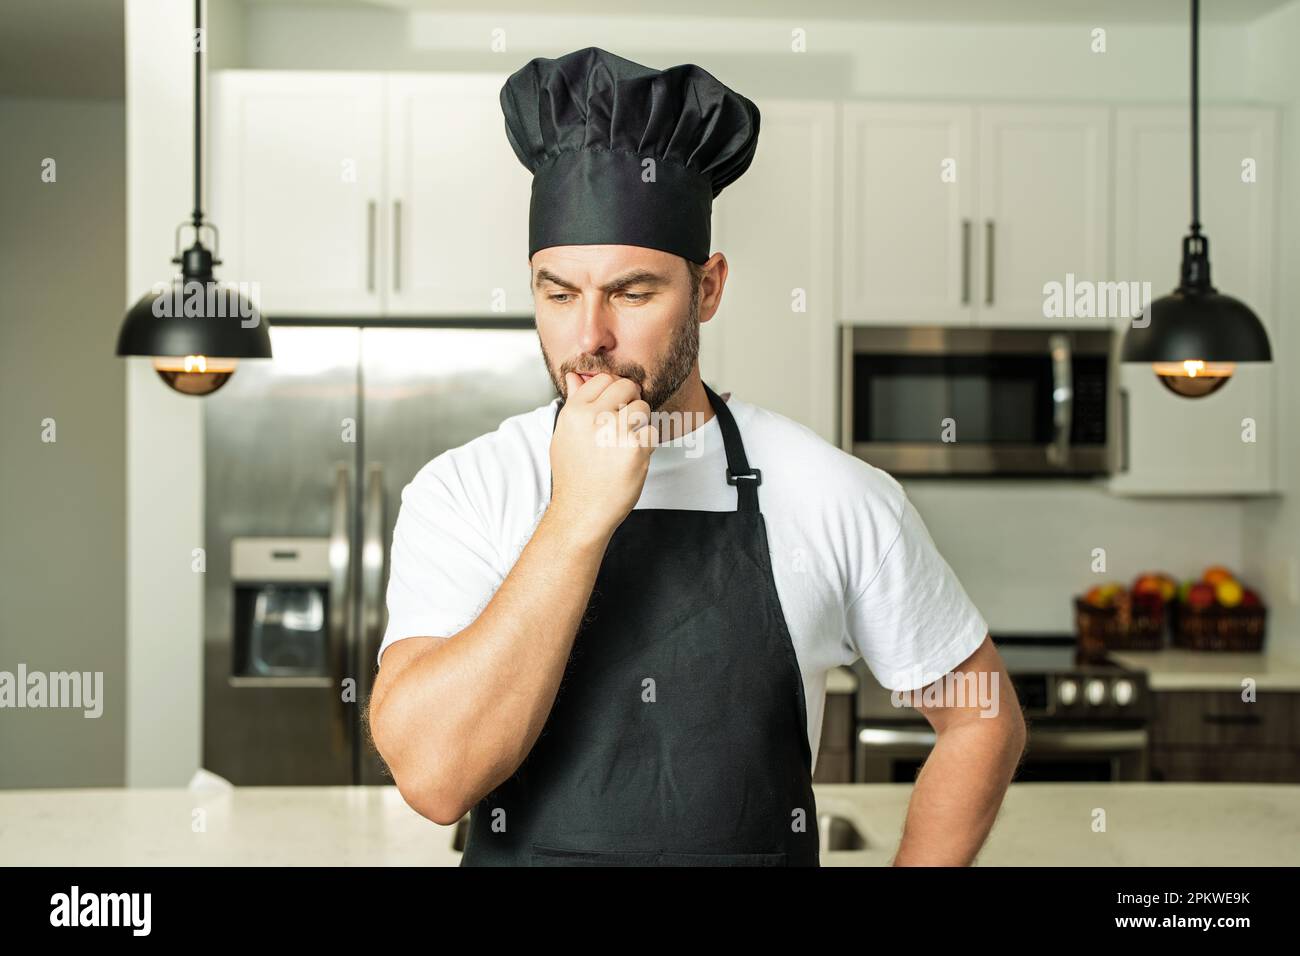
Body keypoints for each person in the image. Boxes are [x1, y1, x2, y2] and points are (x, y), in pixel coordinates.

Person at [368, 46, 1025, 867]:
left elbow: (982, 716)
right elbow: (434, 780)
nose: (589, 338)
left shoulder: (827, 492)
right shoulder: (468, 490)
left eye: (634, 293)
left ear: (707, 288)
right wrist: (574, 517)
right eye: (558, 293)